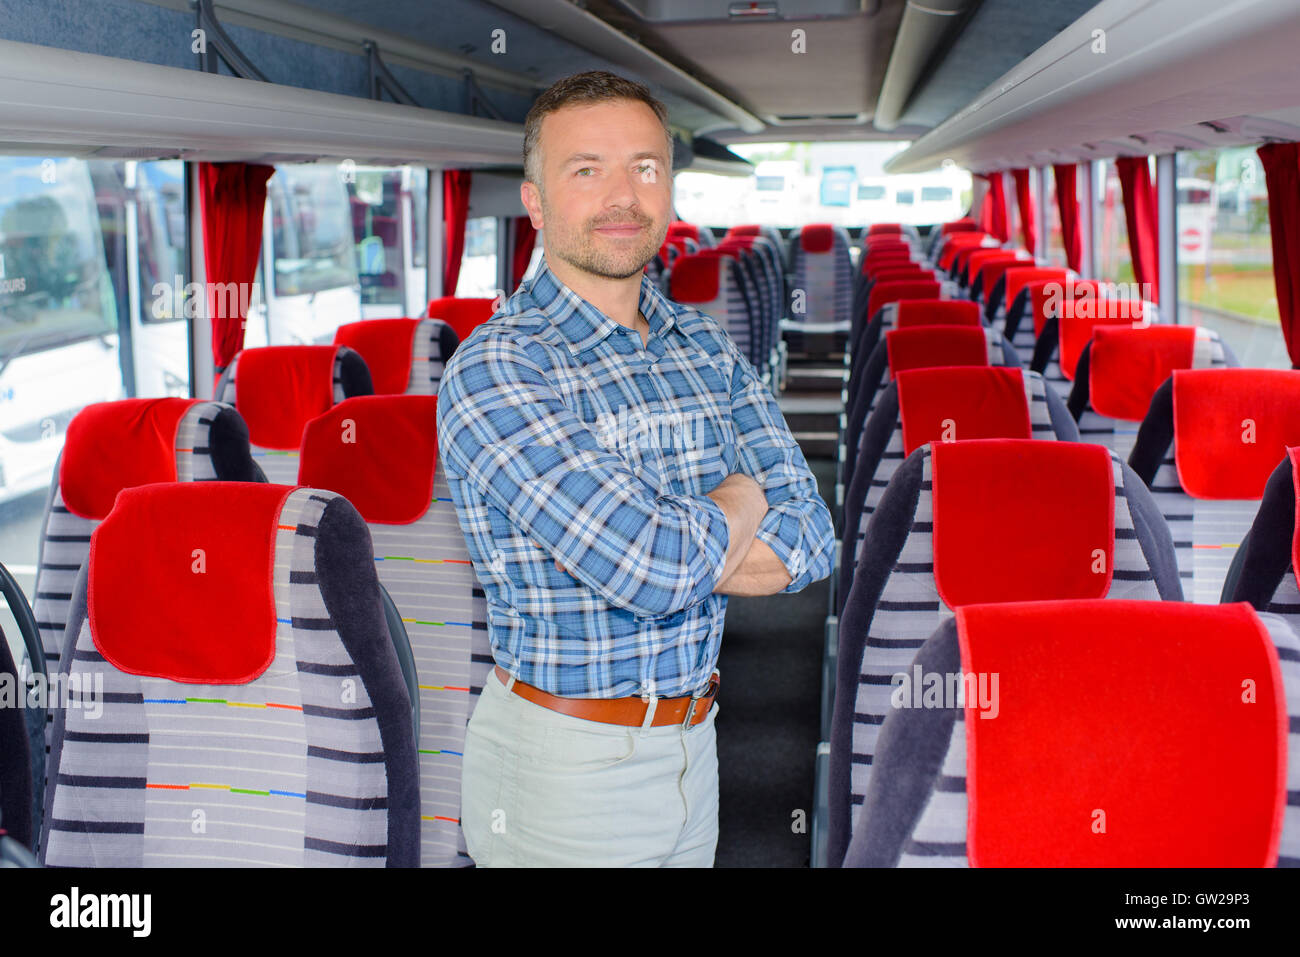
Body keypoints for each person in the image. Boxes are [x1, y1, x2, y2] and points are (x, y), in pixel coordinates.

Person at [436, 70, 834, 867]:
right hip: (564, 765)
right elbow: (648, 568)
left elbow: (813, 538)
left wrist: (675, 535)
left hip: (696, 742)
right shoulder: (497, 370)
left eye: (645, 167)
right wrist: (741, 492)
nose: (623, 194)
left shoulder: (702, 341)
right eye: (587, 169)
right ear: (537, 202)